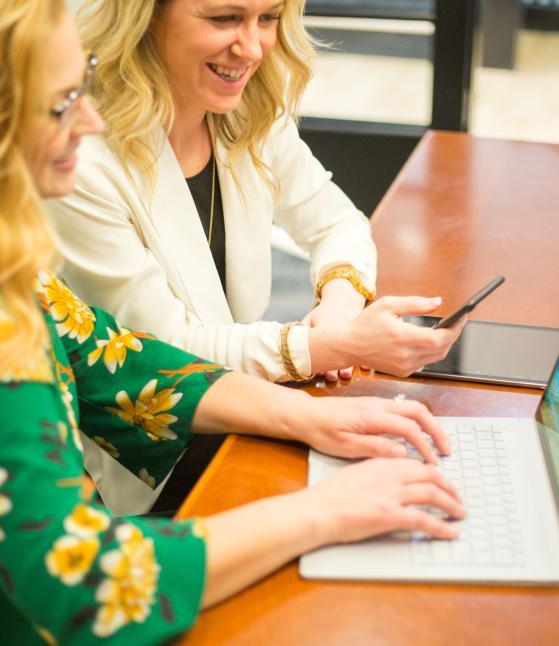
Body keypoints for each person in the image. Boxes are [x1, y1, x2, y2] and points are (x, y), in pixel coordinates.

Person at [0, 1, 464, 642]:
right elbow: (89, 585)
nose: (90, 118)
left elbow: (118, 359)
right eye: (63, 103)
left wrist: (310, 416)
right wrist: (323, 511)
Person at [48, 0, 464, 385]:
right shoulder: (77, 159)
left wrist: (340, 306)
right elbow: (164, 349)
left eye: (268, 18)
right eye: (224, 18)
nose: (251, 48)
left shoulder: (247, 112)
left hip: (239, 402)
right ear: (147, 14)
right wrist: (333, 346)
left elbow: (335, 222)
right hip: (144, 432)